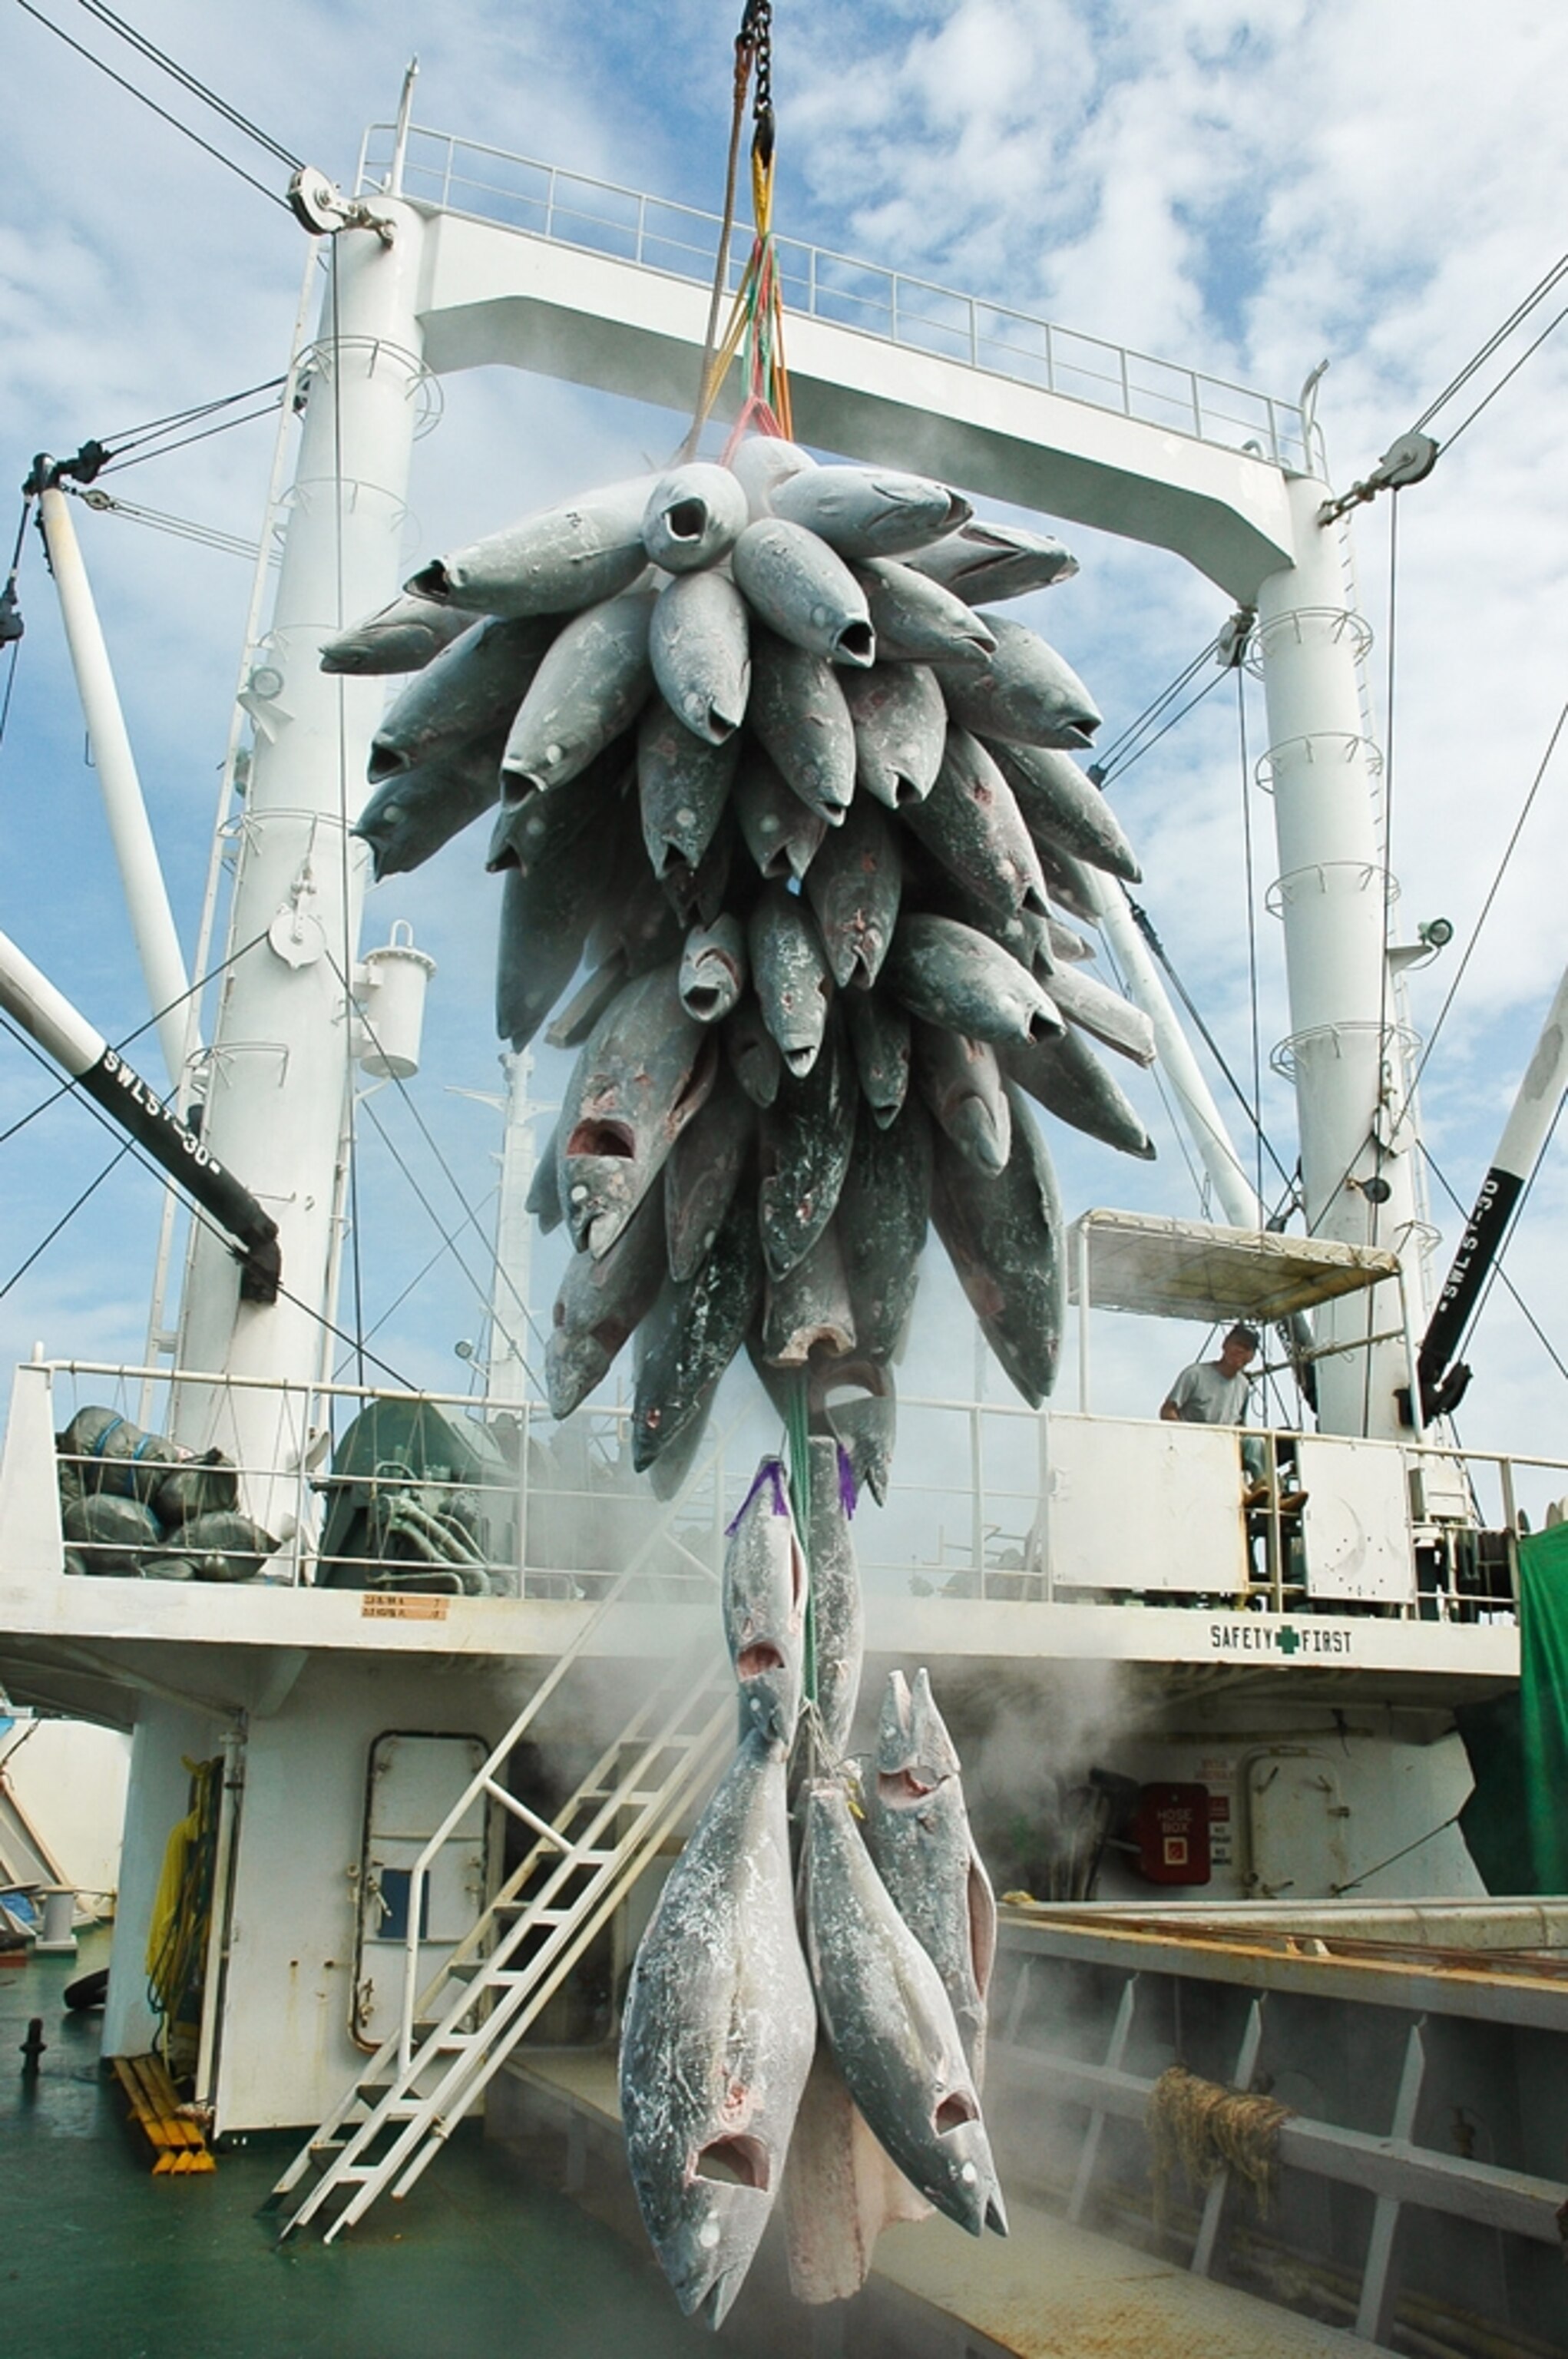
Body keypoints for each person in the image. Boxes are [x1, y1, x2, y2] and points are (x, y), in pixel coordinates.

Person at [1159, 1325, 1305, 1511]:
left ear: (1251, 1357)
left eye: (1247, 1348)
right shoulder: (1195, 1374)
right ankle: (1246, 1494)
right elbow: (1167, 1411)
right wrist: (1186, 1435)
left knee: (1254, 1442)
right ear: (1225, 1345)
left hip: (1227, 1441)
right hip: (1197, 1443)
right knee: (1223, 1450)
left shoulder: (1243, 1385)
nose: (1240, 1350)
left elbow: (1240, 1425)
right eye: (1237, 1344)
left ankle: (1272, 1496)